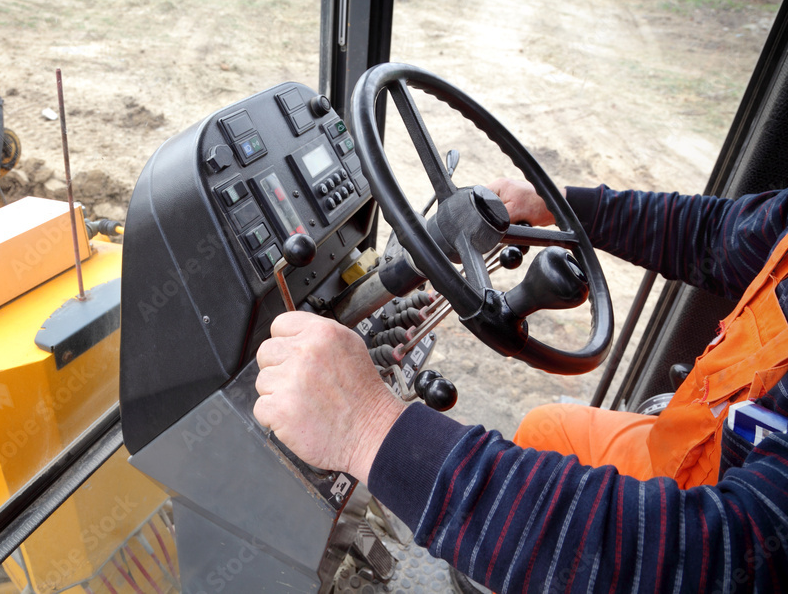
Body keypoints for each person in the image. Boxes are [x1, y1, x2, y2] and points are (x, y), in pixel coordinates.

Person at [254, 182, 788, 592]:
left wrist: (370, 430)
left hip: (718, 522)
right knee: (544, 429)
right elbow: (718, 233)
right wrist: (554, 201)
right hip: (706, 439)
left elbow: (706, 560)